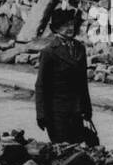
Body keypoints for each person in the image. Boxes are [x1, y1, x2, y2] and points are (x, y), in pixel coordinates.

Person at [35, 9, 95, 144]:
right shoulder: (49, 52)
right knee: (63, 151)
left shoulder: (79, 48)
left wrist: (87, 108)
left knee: (79, 148)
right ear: (56, 28)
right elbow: (41, 85)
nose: (70, 28)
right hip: (57, 114)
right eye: (65, 25)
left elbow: (82, 83)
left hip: (77, 112)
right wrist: (41, 114)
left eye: (71, 24)